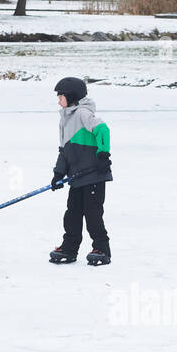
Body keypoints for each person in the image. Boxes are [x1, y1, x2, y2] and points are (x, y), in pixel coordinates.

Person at [48, 77, 112, 265]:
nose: (58, 100)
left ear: (72, 96)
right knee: (72, 214)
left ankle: (102, 249)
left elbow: (103, 130)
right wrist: (58, 174)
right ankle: (69, 248)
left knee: (92, 214)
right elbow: (64, 150)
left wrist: (103, 155)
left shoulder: (82, 113)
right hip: (77, 177)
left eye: (61, 96)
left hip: (93, 174)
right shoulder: (65, 119)